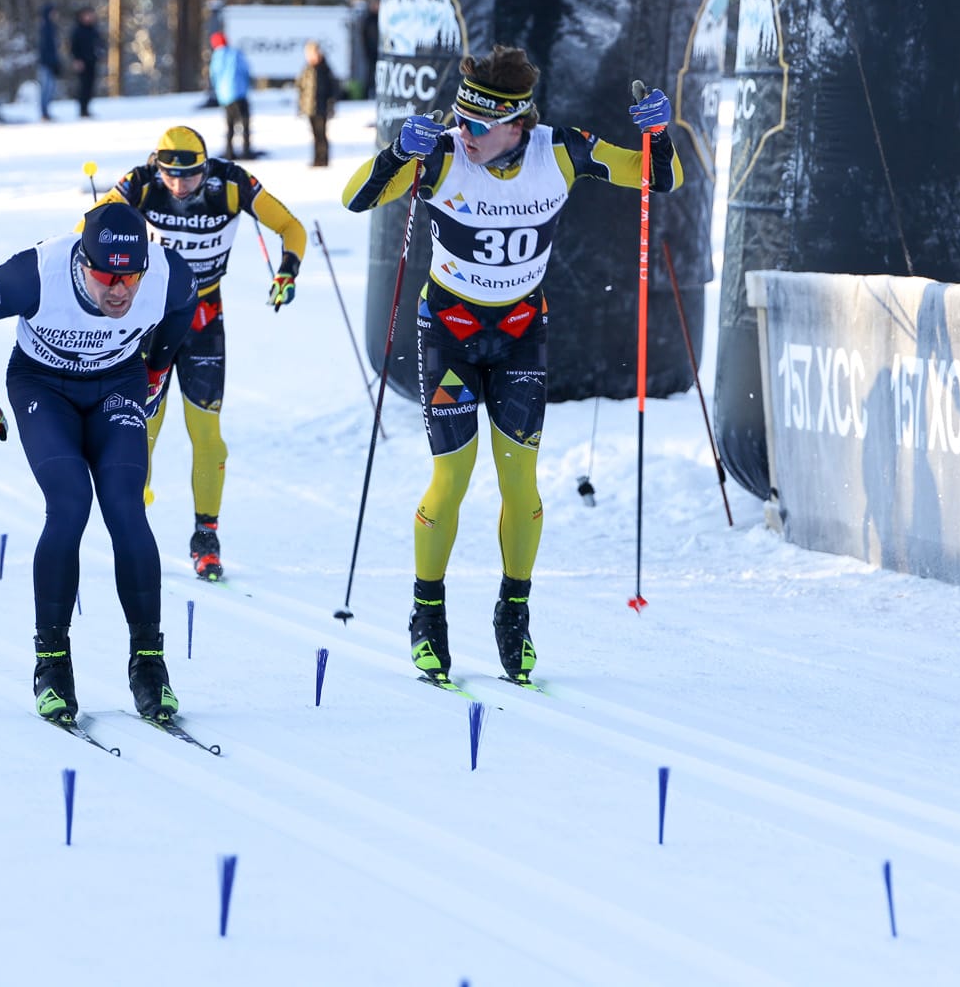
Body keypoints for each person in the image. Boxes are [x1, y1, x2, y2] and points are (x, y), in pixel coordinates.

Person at [342, 46, 682, 686]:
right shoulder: (443, 154)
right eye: (458, 119)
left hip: (522, 331)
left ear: (517, 123)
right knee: (453, 477)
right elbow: (356, 199)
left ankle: (514, 613)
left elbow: (656, 180)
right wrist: (397, 151)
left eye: (477, 125)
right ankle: (427, 615)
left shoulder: (561, 151)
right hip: (449, 330)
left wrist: (660, 135)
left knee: (521, 483)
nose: (463, 133)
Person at [0, 202, 199, 726]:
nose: (119, 290)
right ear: (82, 261)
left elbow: (182, 310)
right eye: (106, 275)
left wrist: (155, 372)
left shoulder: (169, 276)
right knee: (70, 505)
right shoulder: (36, 273)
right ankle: (52, 663)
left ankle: (149, 663)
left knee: (126, 509)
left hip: (118, 385)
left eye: (130, 276)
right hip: (43, 386)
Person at [94, 126, 308, 580]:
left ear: (205, 167)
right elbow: (90, 227)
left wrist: (287, 272)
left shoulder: (230, 184)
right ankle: (132, 531)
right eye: (170, 174)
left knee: (206, 433)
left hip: (202, 318)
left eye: (190, 175)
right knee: (142, 427)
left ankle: (205, 537)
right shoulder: (142, 182)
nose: (179, 185)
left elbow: (291, 227)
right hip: (149, 317)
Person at [209, 31, 255, 158]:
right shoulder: (235, 54)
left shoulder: (216, 57)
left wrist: (220, 92)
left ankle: (229, 151)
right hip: (240, 93)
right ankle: (246, 150)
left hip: (225, 97)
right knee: (245, 123)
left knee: (230, 125)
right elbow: (246, 70)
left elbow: (214, 76)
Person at [296, 40, 337, 168]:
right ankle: (316, 159)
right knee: (314, 135)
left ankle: (323, 160)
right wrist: (301, 105)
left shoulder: (325, 69)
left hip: (321, 107)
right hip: (309, 108)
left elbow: (333, 89)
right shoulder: (307, 69)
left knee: (321, 135)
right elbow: (301, 87)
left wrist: (330, 105)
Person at [70, 6, 104, 119]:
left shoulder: (93, 30)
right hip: (82, 63)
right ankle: (82, 109)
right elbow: (73, 47)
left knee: (90, 86)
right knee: (83, 87)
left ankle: (87, 109)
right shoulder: (78, 31)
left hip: (92, 62)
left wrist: (100, 54)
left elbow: (100, 44)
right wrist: (77, 60)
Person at [35, 3, 63, 121]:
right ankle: (44, 113)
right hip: (46, 64)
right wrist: (51, 62)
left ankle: (46, 112)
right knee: (46, 88)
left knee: (50, 88)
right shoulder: (46, 28)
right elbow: (45, 48)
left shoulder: (51, 27)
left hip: (50, 63)